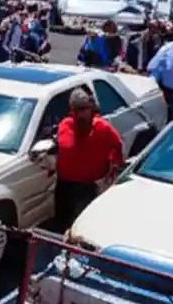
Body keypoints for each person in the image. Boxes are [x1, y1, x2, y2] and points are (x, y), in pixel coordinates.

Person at [51, 89, 124, 230]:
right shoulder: (65, 125)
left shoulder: (102, 127)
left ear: (91, 109)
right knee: (61, 223)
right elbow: (61, 145)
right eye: (77, 109)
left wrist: (114, 165)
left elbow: (117, 145)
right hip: (64, 185)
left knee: (82, 224)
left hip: (87, 186)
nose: (81, 113)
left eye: (84, 109)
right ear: (71, 110)